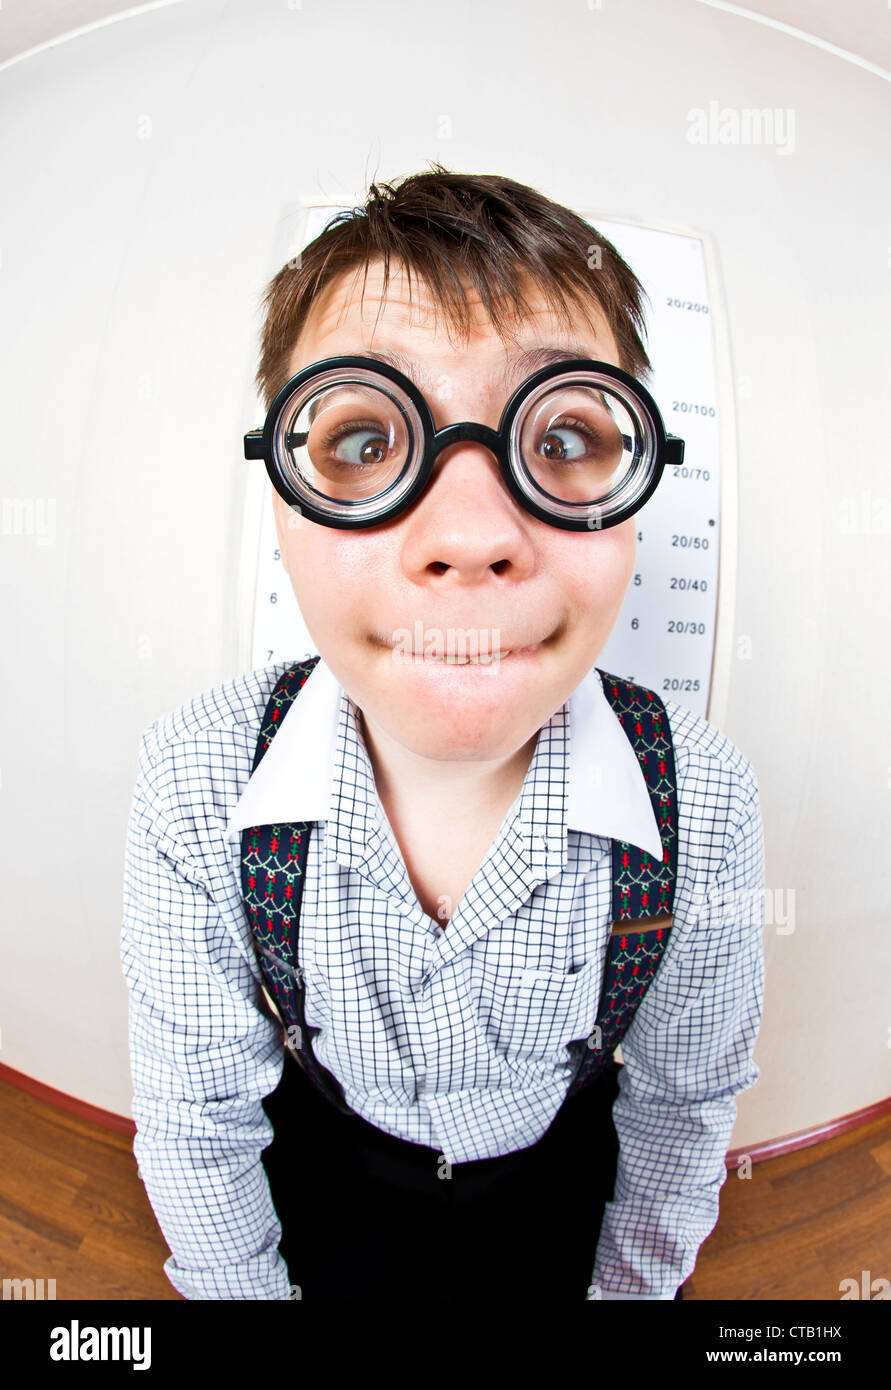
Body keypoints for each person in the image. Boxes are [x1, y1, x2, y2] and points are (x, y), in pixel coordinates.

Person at [121, 163, 764, 1302]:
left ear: (636, 487)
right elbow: (199, 1120)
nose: (469, 535)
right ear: (284, 496)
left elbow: (680, 1105)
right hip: (324, 1175)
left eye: (562, 437)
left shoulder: (703, 799)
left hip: (561, 1185)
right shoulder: (192, 781)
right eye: (367, 442)